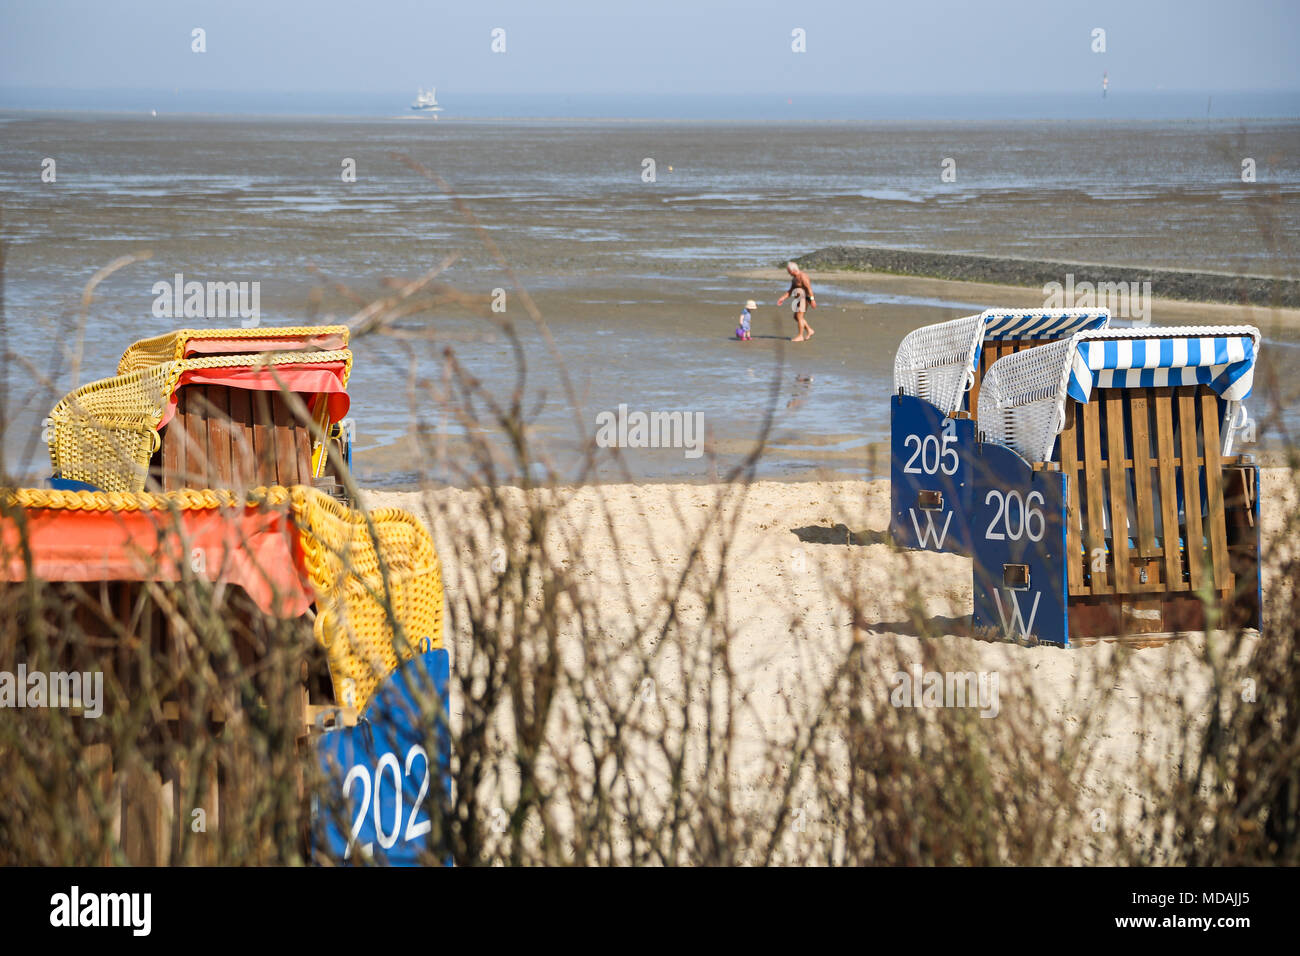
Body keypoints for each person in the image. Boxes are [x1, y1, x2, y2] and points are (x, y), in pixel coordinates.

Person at [775, 261, 816, 342]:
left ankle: (800, 336)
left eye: (788, 271)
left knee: (799, 316)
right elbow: (790, 291)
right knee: (796, 317)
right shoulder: (794, 279)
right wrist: (783, 298)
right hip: (798, 299)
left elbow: (809, 289)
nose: (788, 273)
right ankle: (809, 330)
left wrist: (812, 300)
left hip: (805, 298)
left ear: (793, 270)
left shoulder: (802, 277)